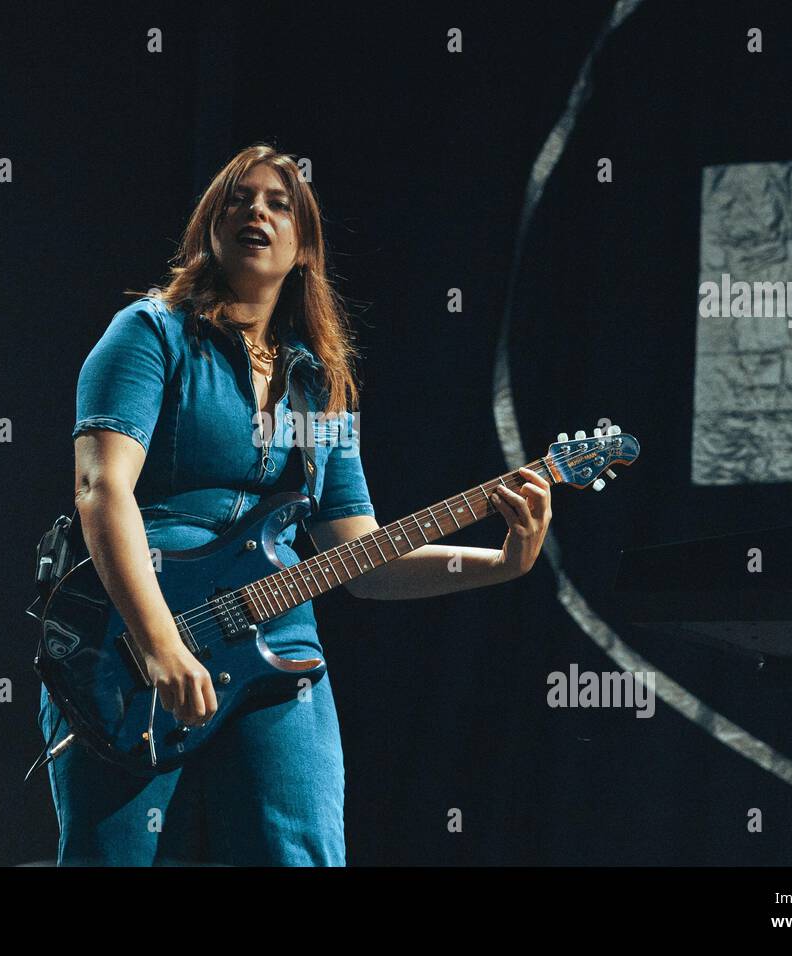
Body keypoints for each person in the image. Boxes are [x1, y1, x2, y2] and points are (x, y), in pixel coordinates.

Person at [38, 143, 553, 865]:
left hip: (279, 651)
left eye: (279, 204)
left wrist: (497, 562)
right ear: (208, 228)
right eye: (238, 200)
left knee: (299, 856)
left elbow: (362, 559)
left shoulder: (318, 388)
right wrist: (157, 640)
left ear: (305, 246)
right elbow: (101, 487)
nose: (257, 211)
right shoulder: (151, 333)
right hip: (125, 640)